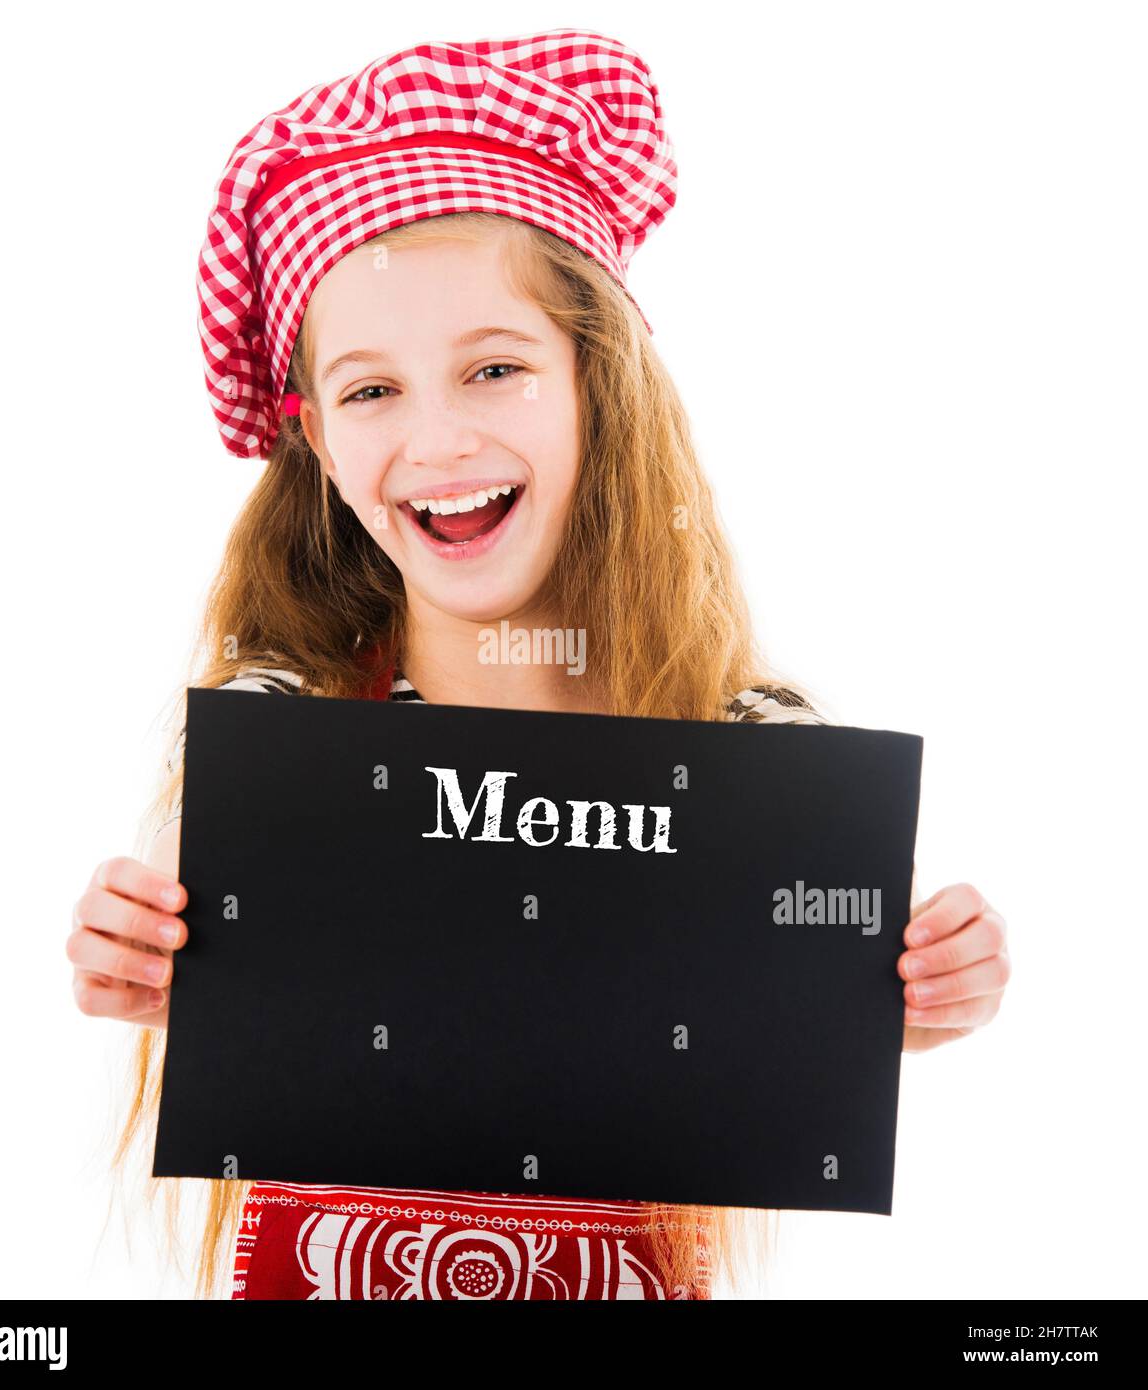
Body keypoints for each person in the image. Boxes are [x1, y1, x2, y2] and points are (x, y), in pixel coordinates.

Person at [67, 29, 1010, 1300]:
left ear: (597, 388)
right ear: (314, 444)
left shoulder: (752, 754)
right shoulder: (275, 738)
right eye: (369, 391)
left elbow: (828, 973)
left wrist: (915, 984)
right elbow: (229, 974)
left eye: (496, 368)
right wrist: (146, 954)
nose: (437, 436)